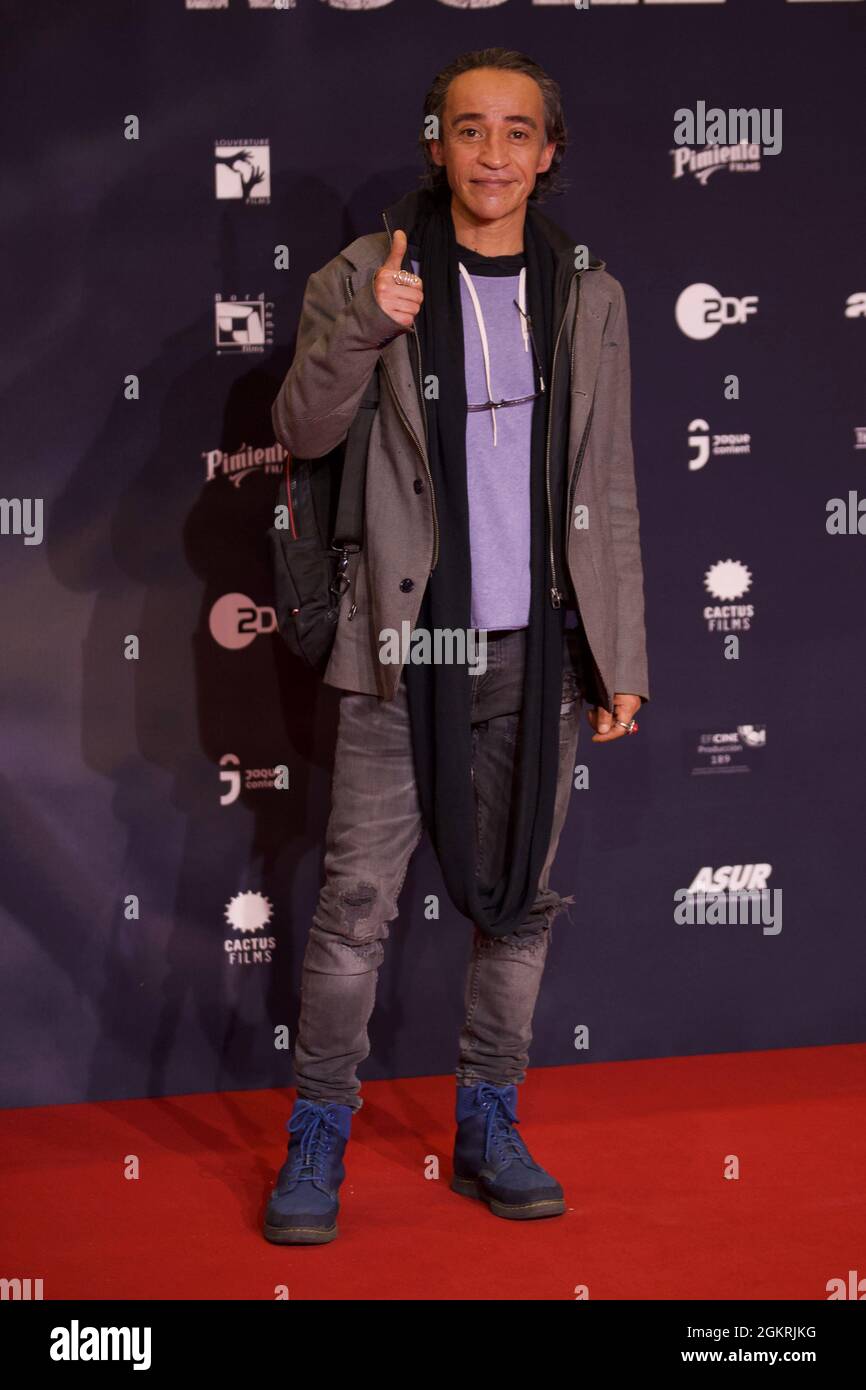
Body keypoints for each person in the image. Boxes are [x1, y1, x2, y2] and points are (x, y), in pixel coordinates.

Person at [264, 47, 649, 1244]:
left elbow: (608, 486)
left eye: (516, 132)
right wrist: (365, 333)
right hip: (401, 645)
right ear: (435, 145)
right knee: (355, 906)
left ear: (548, 152)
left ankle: (487, 1118)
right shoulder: (364, 272)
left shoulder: (588, 294)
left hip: (534, 649)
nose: (492, 153)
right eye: (468, 130)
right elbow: (298, 426)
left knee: (518, 900)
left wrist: (618, 650)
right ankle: (318, 1128)